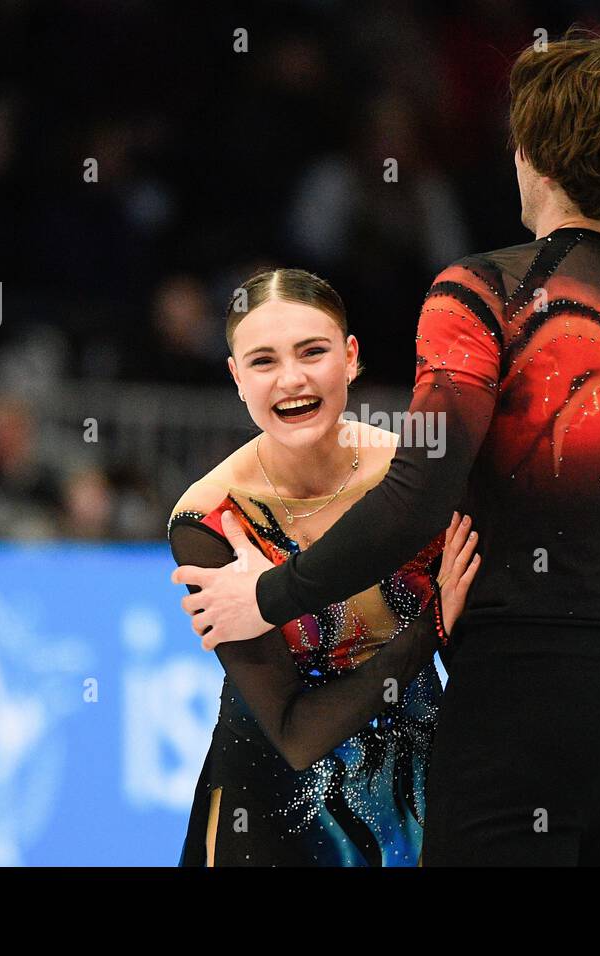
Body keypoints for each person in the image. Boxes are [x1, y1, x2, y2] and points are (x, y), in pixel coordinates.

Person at [174, 31, 600, 866]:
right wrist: (594, 575)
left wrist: (269, 596)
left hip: (523, 709)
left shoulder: (485, 292)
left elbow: (416, 499)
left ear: (544, 153)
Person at [167, 267, 480, 866]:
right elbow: (296, 733)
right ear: (236, 378)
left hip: (416, 802)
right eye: (263, 361)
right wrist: (429, 629)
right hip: (269, 814)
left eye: (313, 352)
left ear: (351, 357)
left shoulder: (415, 481)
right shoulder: (211, 519)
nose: (292, 379)